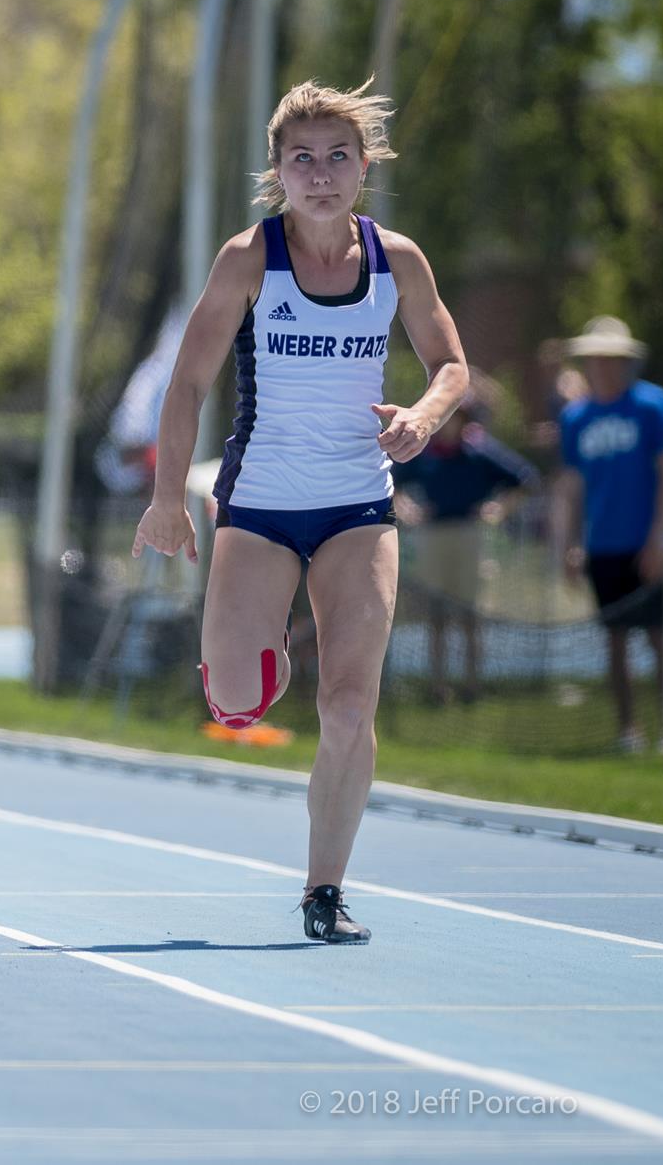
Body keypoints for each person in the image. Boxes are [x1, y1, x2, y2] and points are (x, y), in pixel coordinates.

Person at [133, 78, 467, 945]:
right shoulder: (250, 257)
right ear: (278, 171)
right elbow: (189, 382)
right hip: (262, 503)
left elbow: (452, 365)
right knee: (238, 704)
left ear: (365, 167)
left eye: (337, 158)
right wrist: (169, 499)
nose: (320, 175)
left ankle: (325, 890)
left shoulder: (399, 260)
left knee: (351, 706)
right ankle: (258, 661)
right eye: (302, 159)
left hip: (359, 503)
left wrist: (422, 418)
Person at [551, 316, 663, 753]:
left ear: (626, 363)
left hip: (646, 540)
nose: (604, 368)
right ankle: (629, 731)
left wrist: (660, 537)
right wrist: (570, 543)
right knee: (615, 639)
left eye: (612, 360)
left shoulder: (652, 406)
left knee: (661, 637)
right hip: (602, 544)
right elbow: (572, 487)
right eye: (596, 360)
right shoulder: (576, 417)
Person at [392, 393, 537, 704]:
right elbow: (392, 483)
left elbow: (525, 479)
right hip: (432, 535)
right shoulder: (426, 452)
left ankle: (472, 685)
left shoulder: (479, 450)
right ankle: (438, 686)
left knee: (470, 613)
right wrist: (407, 510)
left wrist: (497, 508)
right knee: (436, 615)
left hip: (471, 536)